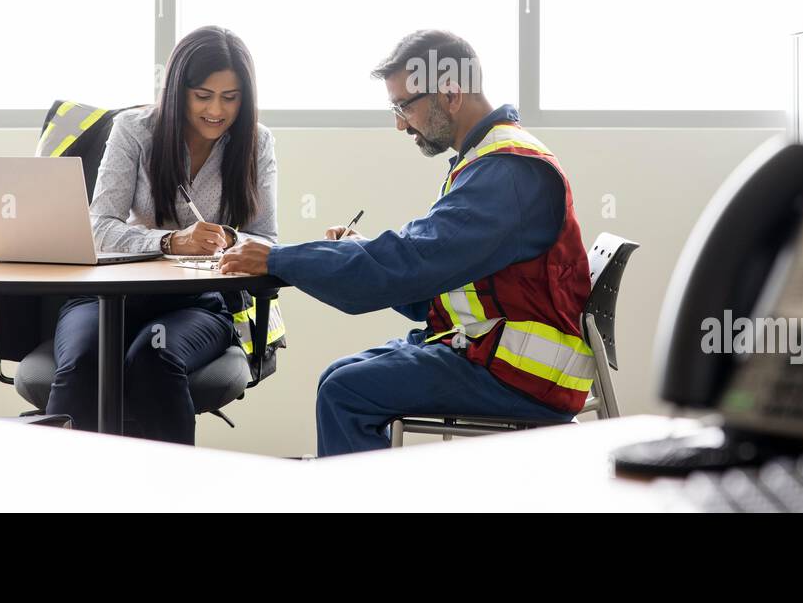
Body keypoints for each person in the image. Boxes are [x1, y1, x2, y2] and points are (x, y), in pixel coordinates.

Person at [220, 29, 594, 456]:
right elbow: (425, 277)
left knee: (345, 392)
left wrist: (277, 258)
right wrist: (354, 253)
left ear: (451, 93)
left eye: (404, 106)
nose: (399, 123)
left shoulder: (507, 173)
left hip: (521, 372)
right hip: (494, 350)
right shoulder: (487, 161)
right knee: (338, 377)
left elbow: (409, 262)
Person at [45, 25, 278, 443]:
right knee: (82, 363)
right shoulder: (135, 130)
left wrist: (231, 241)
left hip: (197, 303)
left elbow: (266, 240)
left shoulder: (256, 143)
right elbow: (99, 228)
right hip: (110, 294)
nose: (216, 111)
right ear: (177, 91)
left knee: (154, 358)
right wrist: (170, 241)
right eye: (202, 96)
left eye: (231, 97)